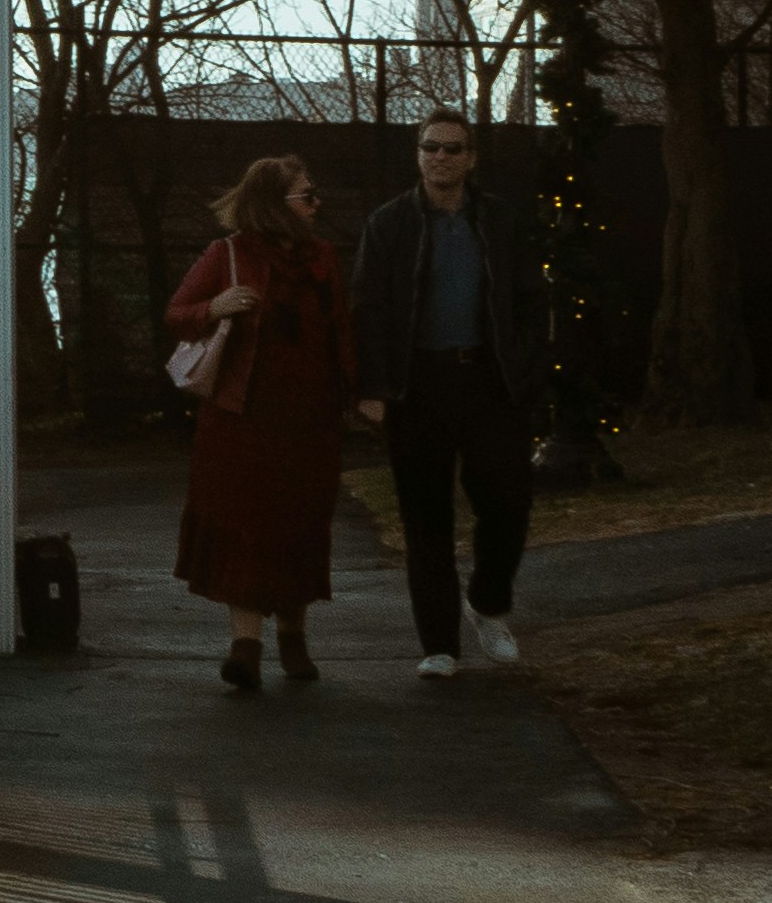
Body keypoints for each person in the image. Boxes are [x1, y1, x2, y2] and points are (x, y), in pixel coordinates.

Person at [343, 112, 550, 677]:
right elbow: (369, 310)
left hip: (489, 382)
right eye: (430, 147)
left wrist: (525, 372)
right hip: (418, 386)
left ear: (471, 157)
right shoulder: (389, 224)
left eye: (453, 149)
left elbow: (532, 302)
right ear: (417, 154)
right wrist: (374, 387)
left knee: (507, 504)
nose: (440, 157)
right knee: (425, 517)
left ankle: (486, 603)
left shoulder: (500, 221)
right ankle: (438, 645)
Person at [167, 154, 354, 689]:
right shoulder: (227, 253)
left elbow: (341, 328)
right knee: (244, 528)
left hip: (310, 418)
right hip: (241, 417)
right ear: (276, 204)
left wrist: (357, 394)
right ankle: (244, 645)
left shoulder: (323, 258)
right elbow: (177, 312)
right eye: (306, 196)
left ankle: (293, 637)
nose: (316, 204)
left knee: (298, 524)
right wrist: (215, 307)